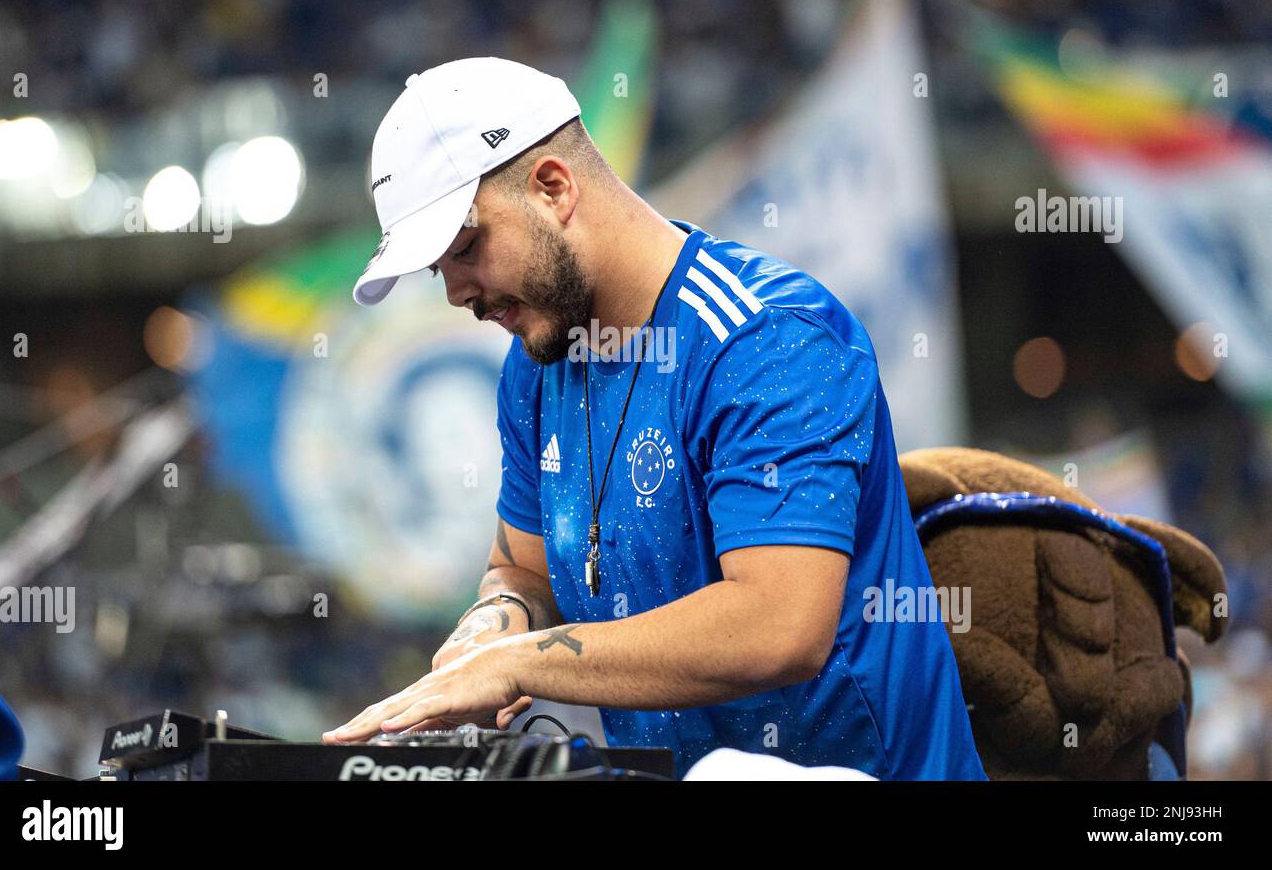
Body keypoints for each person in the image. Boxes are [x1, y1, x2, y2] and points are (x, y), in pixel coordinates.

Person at [324, 57, 986, 779]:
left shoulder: (767, 338)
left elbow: (780, 626)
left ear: (553, 187)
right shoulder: (537, 364)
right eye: (436, 270)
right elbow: (521, 568)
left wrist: (519, 665)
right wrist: (492, 628)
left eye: (465, 246)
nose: (457, 292)